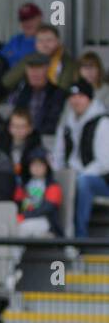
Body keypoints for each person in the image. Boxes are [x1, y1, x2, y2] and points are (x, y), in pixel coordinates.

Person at [52, 79, 109, 238]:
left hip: (101, 180)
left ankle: (79, 238)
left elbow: (105, 163)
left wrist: (77, 176)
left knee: (83, 183)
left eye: (80, 96)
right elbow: (58, 155)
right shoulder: (66, 123)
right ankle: (57, 234)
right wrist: (59, 175)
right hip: (72, 175)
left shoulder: (102, 122)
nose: (76, 100)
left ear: (89, 98)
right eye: (72, 96)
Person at [14, 154, 62, 238]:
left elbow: (47, 208)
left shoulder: (53, 186)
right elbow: (17, 203)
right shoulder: (24, 184)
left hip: (44, 220)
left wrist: (24, 216)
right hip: (24, 217)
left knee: (21, 229)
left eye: (40, 165)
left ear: (47, 167)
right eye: (34, 165)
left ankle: (14, 252)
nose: (37, 168)